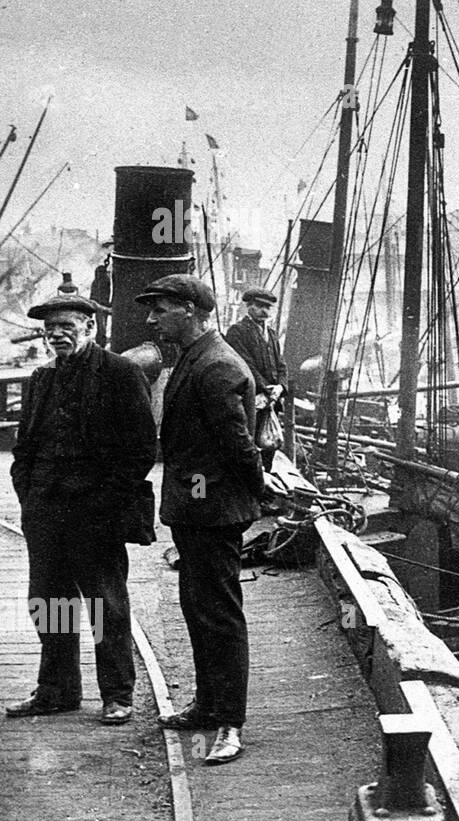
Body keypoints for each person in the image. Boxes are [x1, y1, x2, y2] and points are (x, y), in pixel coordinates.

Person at [7, 289, 156, 724]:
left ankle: (117, 694)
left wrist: (106, 504)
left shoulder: (121, 374)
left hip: (96, 514)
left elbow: (141, 449)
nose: (57, 335)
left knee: (104, 604)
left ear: (90, 328)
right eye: (51, 329)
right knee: (49, 601)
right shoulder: (41, 379)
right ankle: (56, 690)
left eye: (66, 327)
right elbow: (25, 448)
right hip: (45, 512)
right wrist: (28, 495)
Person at [137, 274, 264, 765]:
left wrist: (258, 490)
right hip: (197, 511)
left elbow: (238, 446)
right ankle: (208, 706)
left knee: (220, 616)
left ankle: (230, 722)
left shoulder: (216, 366)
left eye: (160, 310)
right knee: (199, 609)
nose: (152, 319)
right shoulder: (197, 357)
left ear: (189, 310)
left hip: (213, 514)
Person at [223, 288, 286, 468]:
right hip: (252, 397)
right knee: (249, 441)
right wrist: (266, 388)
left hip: (272, 398)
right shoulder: (237, 332)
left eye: (268, 307)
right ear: (249, 306)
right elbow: (245, 364)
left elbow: (281, 364)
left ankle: (266, 477)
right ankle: (251, 480)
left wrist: (281, 386)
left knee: (269, 441)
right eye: (260, 306)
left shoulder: (272, 334)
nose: (265, 311)